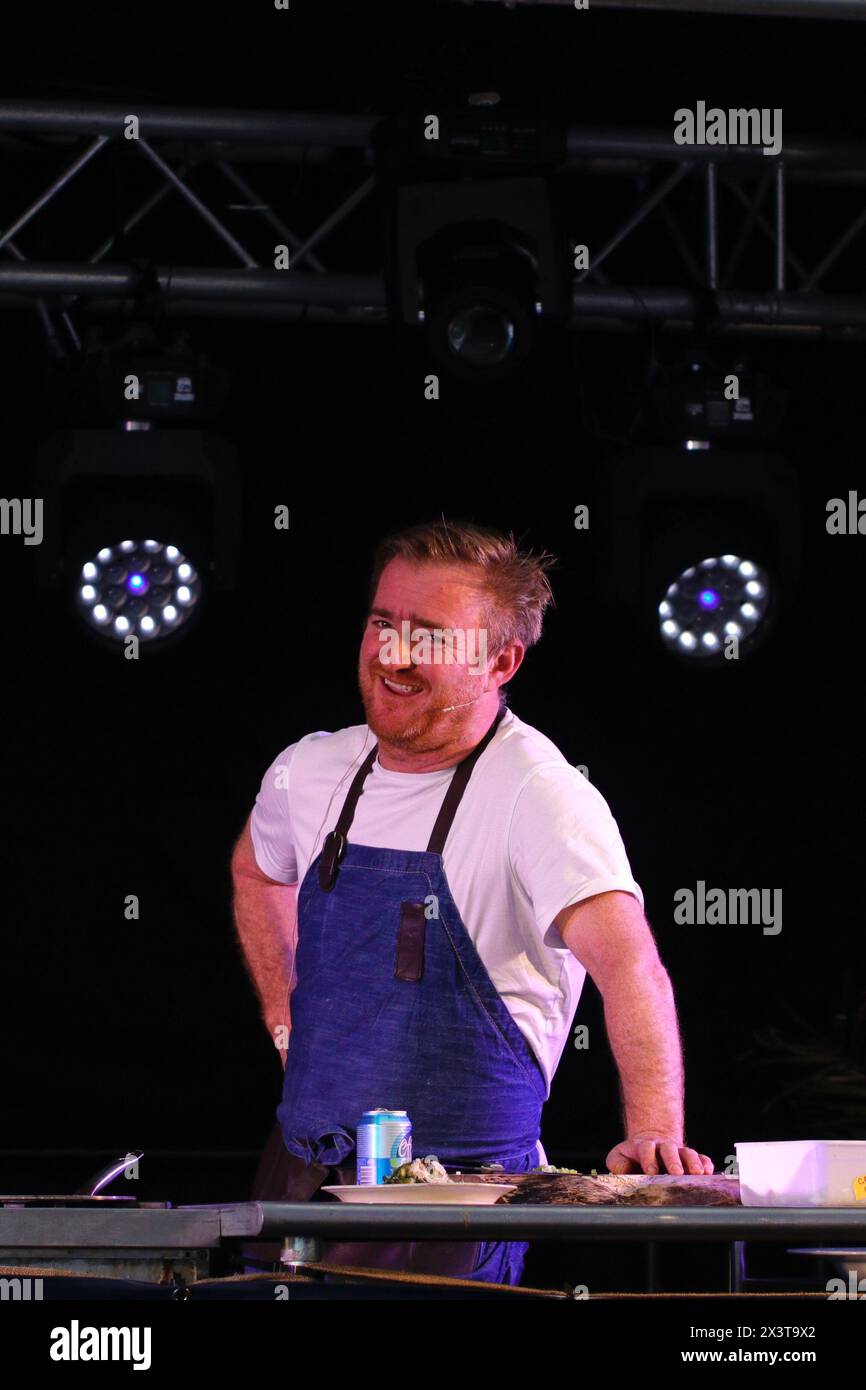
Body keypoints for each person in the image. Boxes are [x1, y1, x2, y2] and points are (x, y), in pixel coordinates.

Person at [231, 519, 713, 1285]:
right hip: (295, 1187)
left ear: (501, 661)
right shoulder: (313, 769)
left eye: (430, 636)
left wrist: (654, 1133)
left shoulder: (538, 795)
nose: (393, 654)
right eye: (383, 623)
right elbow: (258, 873)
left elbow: (630, 967)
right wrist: (282, 1013)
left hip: (456, 1205)